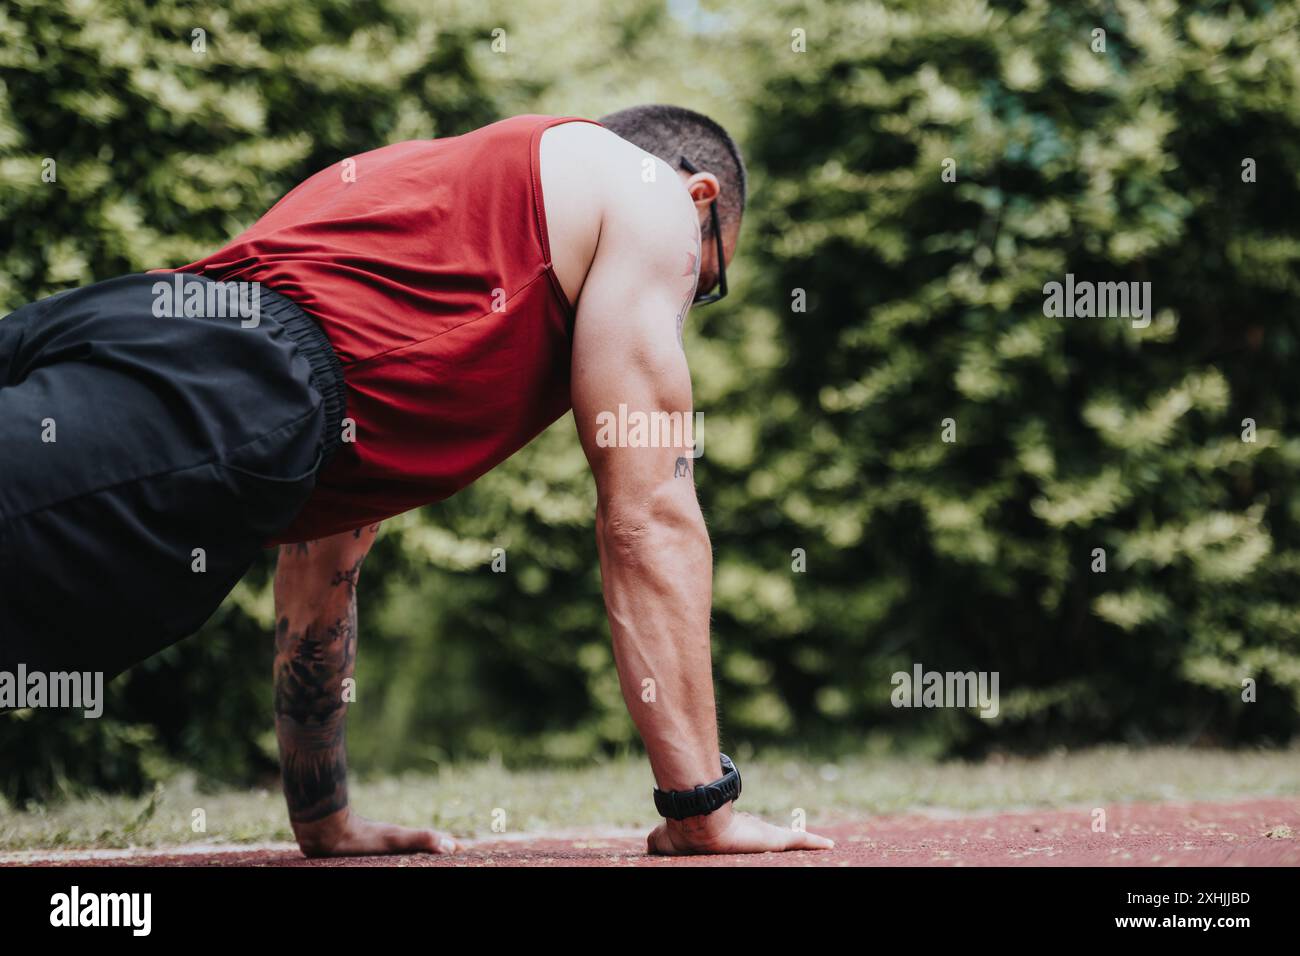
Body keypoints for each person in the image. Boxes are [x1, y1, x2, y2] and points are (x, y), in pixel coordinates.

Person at [0, 105, 834, 858]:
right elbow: (649, 514)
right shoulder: (651, 196)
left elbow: (319, 568)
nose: (688, 294)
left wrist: (323, 820)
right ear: (701, 199)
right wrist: (703, 808)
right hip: (221, 390)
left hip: (124, 327)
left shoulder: (412, 220)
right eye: (708, 281)